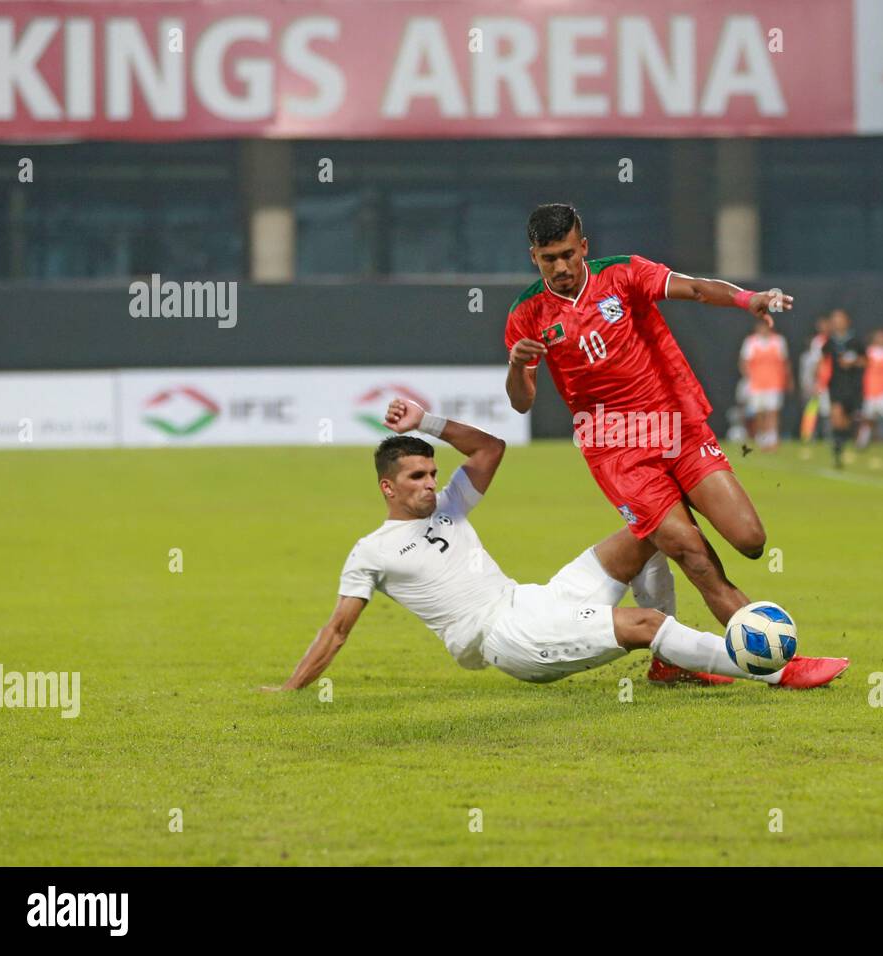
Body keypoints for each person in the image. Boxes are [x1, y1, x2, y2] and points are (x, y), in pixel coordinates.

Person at [263, 400, 849, 692]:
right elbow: (338, 628)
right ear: (387, 487)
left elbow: (490, 450)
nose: (430, 485)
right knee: (642, 622)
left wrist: (429, 421)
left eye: (431, 473)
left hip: (533, 599)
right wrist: (291, 688)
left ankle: (672, 661)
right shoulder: (372, 551)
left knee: (650, 527)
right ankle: (774, 669)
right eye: (416, 478)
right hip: (510, 639)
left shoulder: (450, 506)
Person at [504, 204, 785, 684]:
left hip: (676, 426)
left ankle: (675, 657)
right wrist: (515, 365)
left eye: (569, 254)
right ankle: (774, 664)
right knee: (695, 556)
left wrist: (748, 299)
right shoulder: (527, 315)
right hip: (616, 450)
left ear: (584, 247)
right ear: (534, 257)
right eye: (549, 258)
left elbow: (695, 289)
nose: (562, 267)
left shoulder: (622, 274)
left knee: (751, 540)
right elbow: (522, 403)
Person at [819, 308, 866, 468]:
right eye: (835, 320)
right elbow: (822, 363)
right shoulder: (829, 343)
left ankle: (841, 446)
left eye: (840, 319)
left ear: (847, 321)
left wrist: (853, 362)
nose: (837, 323)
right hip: (835, 385)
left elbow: (866, 361)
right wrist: (819, 380)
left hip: (853, 386)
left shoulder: (856, 342)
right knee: (836, 417)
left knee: (847, 421)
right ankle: (837, 452)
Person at [739, 320, 791, 451]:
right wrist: (748, 377)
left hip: (774, 382)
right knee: (759, 412)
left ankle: (773, 439)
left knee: (773, 412)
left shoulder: (779, 341)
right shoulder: (751, 342)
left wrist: (788, 378)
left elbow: (784, 362)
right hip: (756, 383)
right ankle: (762, 439)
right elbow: (744, 362)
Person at [798, 316, 831, 445]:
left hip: (832, 380)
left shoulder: (834, 339)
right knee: (812, 408)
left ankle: (829, 436)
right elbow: (815, 362)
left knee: (828, 410)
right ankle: (808, 436)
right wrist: (813, 381)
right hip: (820, 380)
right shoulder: (817, 341)